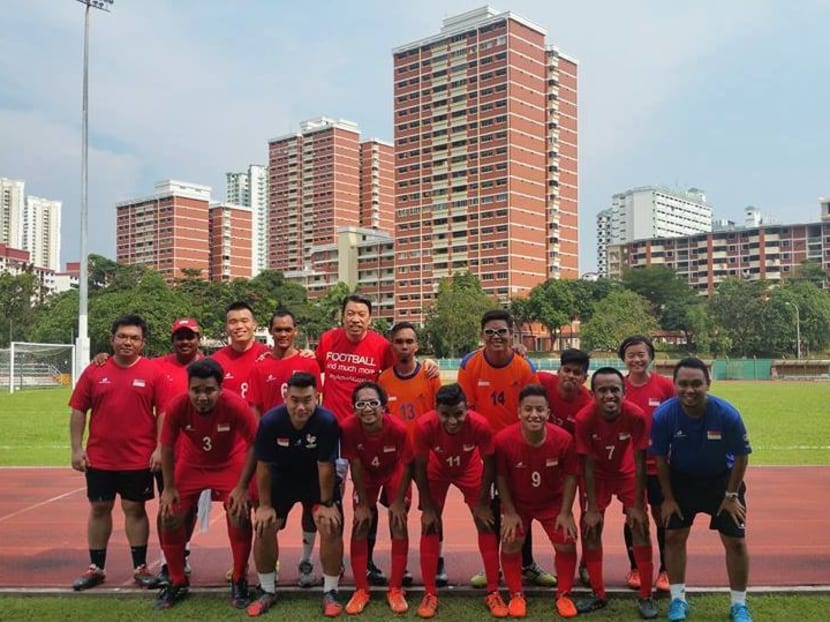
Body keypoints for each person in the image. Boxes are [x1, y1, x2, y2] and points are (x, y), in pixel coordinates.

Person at [69, 315, 169, 591]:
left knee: (134, 509)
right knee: (99, 508)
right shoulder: (94, 371)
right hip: (100, 457)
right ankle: (96, 568)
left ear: (142, 343)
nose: (128, 342)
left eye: (134, 338)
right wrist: (76, 448)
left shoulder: (153, 372)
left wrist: (160, 448)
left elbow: (163, 413)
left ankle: (140, 567)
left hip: (138, 458)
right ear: (112, 339)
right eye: (122, 336)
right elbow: (79, 410)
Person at [650, 358, 753, 622]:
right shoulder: (664, 415)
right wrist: (668, 498)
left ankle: (739, 605)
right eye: (683, 384)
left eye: (696, 384)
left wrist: (731, 496)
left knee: (736, 542)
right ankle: (677, 600)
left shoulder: (727, 414)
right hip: (682, 482)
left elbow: (742, 456)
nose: (689, 390)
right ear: (674, 385)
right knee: (673, 537)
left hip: (722, 483)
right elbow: (660, 458)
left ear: (708, 384)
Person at [457, 309, 554, 589]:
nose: (496, 337)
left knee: (522, 508)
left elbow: (534, 407)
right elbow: (466, 409)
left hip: (517, 449)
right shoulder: (470, 365)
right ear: (482, 335)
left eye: (502, 331)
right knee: (489, 508)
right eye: (490, 332)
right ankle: (492, 567)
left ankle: (527, 564)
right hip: (485, 450)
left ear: (512, 334)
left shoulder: (524, 367)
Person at [154, 358, 257, 610]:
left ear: (220, 389)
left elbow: (256, 444)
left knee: (239, 512)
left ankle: (239, 578)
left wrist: (242, 486)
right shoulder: (177, 406)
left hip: (229, 461)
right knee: (169, 514)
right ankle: (177, 579)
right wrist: (169, 488)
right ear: (188, 388)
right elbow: (167, 446)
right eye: (196, 390)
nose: (202, 397)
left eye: (209, 390)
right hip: (192, 464)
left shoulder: (235, 405)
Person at [247, 372, 344, 618]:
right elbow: (263, 466)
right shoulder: (270, 421)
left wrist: (327, 503)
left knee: (331, 524)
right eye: (295, 400)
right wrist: (264, 506)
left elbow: (325, 466)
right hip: (282, 479)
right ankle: (267, 590)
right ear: (285, 397)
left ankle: (331, 592)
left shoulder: (327, 421)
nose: (301, 407)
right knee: (264, 526)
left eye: (307, 400)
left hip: (315, 479)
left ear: (316, 398)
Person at [412, 383, 507, 619]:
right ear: (436, 410)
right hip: (436, 469)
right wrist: (428, 507)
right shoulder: (424, 426)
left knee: (485, 522)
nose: (452, 421)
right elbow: (419, 468)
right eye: (445, 414)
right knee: (430, 524)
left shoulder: (480, 425)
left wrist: (483, 503)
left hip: (469, 467)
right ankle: (430, 593)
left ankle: (493, 591)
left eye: (458, 414)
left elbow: (490, 464)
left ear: (467, 409)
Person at [247, 307, 323, 587]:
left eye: (287, 329)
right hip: (275, 455)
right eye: (277, 329)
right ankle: (270, 572)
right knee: (269, 517)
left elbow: (316, 406)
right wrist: (262, 446)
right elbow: (255, 410)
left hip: (306, 451)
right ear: (270, 331)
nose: (282, 334)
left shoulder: (309, 364)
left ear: (295, 331)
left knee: (311, 511)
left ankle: (306, 561)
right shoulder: (260, 367)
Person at [573, 367, 658, 620]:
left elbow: (640, 460)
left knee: (640, 526)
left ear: (624, 392)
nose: (609, 395)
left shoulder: (636, 415)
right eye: (602, 390)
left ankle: (646, 595)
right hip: (597, 475)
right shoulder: (584, 418)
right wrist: (591, 508)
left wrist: (638, 505)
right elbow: (587, 463)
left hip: (626, 473)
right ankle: (598, 593)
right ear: (592, 394)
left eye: (614, 389)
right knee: (591, 528)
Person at [495, 384, 581, 619]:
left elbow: (571, 476)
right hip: (518, 503)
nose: (534, 415)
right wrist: (509, 512)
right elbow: (500, 477)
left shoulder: (563, 439)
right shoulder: (503, 440)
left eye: (540, 410)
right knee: (511, 541)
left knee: (567, 542)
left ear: (548, 412)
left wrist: (566, 512)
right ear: (519, 412)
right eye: (528, 409)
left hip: (551, 502)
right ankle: (516, 595)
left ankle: (564, 594)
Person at [341, 382, 414, 615]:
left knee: (398, 522)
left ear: (383, 407)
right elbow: (354, 463)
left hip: (394, 471)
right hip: (366, 472)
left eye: (373, 403)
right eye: (361, 404)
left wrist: (398, 502)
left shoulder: (399, 429)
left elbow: (407, 464)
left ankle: (395, 589)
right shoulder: (348, 428)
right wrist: (363, 504)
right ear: (354, 408)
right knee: (360, 522)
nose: (367, 409)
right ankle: (361, 589)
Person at [378, 321, 441, 586]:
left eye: (409, 341)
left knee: (432, 509)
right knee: (398, 512)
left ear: (417, 345)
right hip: (398, 458)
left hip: (427, 455)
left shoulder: (430, 375)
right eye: (399, 341)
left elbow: (440, 414)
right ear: (392, 345)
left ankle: (436, 563)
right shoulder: (383, 379)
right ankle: (400, 566)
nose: (404, 346)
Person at [619, 335, 676, 593]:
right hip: (630, 467)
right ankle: (635, 568)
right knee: (634, 517)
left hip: (660, 465)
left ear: (650, 356)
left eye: (641, 354)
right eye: (631, 355)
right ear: (624, 358)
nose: (636, 359)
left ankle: (666, 569)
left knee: (662, 517)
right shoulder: (618, 387)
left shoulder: (664, 386)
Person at [211, 301, 271, 402]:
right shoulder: (216, 361)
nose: (239, 326)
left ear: (254, 324)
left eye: (244, 321)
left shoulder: (268, 355)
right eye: (233, 322)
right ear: (226, 327)